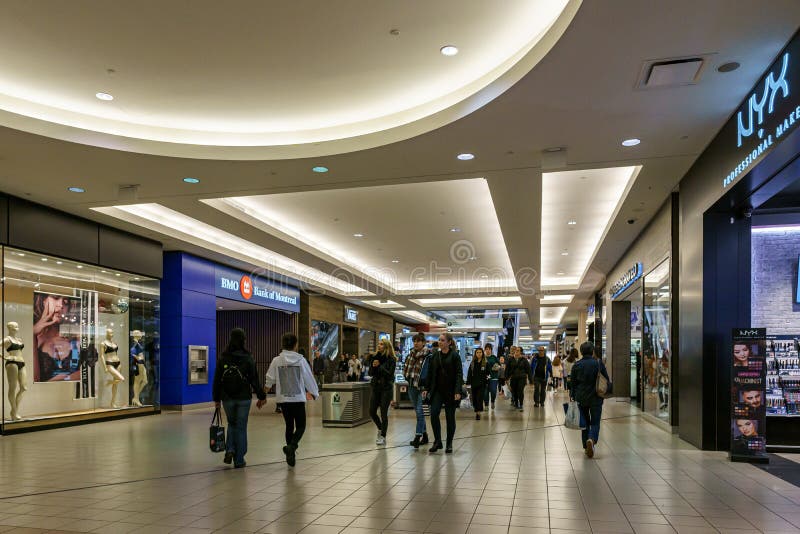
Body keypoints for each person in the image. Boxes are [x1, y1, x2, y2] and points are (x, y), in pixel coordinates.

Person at [212, 328, 266, 468]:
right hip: (243, 398)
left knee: (232, 424)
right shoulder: (248, 358)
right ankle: (239, 459)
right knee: (241, 427)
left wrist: (216, 399)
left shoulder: (223, 357)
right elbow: (254, 379)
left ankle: (230, 450)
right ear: (244, 340)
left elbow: (217, 380)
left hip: (227, 397)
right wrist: (261, 396)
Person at [265, 333, 319, 467]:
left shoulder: (276, 360)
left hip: (283, 400)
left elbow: (269, 380)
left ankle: (291, 455)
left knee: (289, 426)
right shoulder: (301, 360)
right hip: (298, 399)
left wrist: (262, 396)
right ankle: (292, 447)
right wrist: (314, 392)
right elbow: (308, 378)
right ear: (295, 345)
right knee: (301, 426)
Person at [422, 333, 462, 453]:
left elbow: (459, 374)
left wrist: (457, 391)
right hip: (437, 391)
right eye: (439, 340)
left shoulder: (455, 356)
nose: (440, 342)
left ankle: (449, 443)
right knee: (434, 414)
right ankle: (437, 441)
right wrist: (426, 388)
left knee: (450, 418)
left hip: (450, 392)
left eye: (442, 340)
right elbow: (430, 373)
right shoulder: (435, 355)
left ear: (449, 342)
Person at [569, 341, 610, 459]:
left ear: (581, 352)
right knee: (595, 422)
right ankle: (591, 439)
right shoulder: (598, 363)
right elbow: (606, 379)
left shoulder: (576, 365)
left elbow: (573, 383)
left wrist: (572, 395)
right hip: (596, 397)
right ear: (592, 351)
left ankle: (586, 445)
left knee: (584, 423)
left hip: (581, 397)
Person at [403, 333, 431, 448]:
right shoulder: (410, 354)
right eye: (414, 341)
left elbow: (429, 373)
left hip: (422, 388)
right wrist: (407, 378)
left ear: (423, 343)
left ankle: (417, 437)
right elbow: (406, 368)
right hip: (411, 386)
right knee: (418, 412)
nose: (416, 343)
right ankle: (425, 436)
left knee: (420, 412)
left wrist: (427, 387)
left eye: (418, 341)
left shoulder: (428, 356)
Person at [369, 340, 396, 446]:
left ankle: (383, 436)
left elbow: (390, 375)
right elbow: (370, 373)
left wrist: (380, 366)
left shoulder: (391, 359)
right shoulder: (375, 357)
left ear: (386, 347)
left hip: (386, 389)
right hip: (376, 387)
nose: (379, 346)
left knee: (383, 413)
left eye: (381, 344)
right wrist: (374, 366)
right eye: (378, 344)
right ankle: (380, 428)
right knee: (371, 411)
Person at [466, 348, 489, 420]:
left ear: (482, 353)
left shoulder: (485, 363)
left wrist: (487, 382)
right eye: (477, 352)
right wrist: (468, 382)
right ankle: (476, 410)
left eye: (480, 352)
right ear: (475, 354)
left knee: (479, 398)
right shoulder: (473, 363)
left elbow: (488, 374)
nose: (479, 354)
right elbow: (469, 373)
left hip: (482, 384)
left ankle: (478, 413)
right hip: (474, 384)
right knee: (475, 399)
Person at [507, 346, 531, 411]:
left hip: (522, 378)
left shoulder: (524, 360)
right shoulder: (510, 359)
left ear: (520, 352)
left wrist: (531, 380)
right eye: (515, 350)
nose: (516, 351)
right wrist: (506, 378)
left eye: (518, 350)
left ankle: (521, 404)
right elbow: (507, 369)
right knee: (514, 391)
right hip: (513, 378)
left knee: (520, 390)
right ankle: (516, 403)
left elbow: (528, 370)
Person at [484, 343, 500, 410]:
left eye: (489, 349)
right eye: (486, 349)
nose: (488, 350)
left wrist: (496, 367)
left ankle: (492, 401)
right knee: (485, 392)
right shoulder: (483, 358)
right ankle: (486, 405)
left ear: (491, 350)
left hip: (493, 377)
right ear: (485, 350)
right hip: (484, 378)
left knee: (493, 391)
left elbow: (499, 365)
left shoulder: (494, 357)